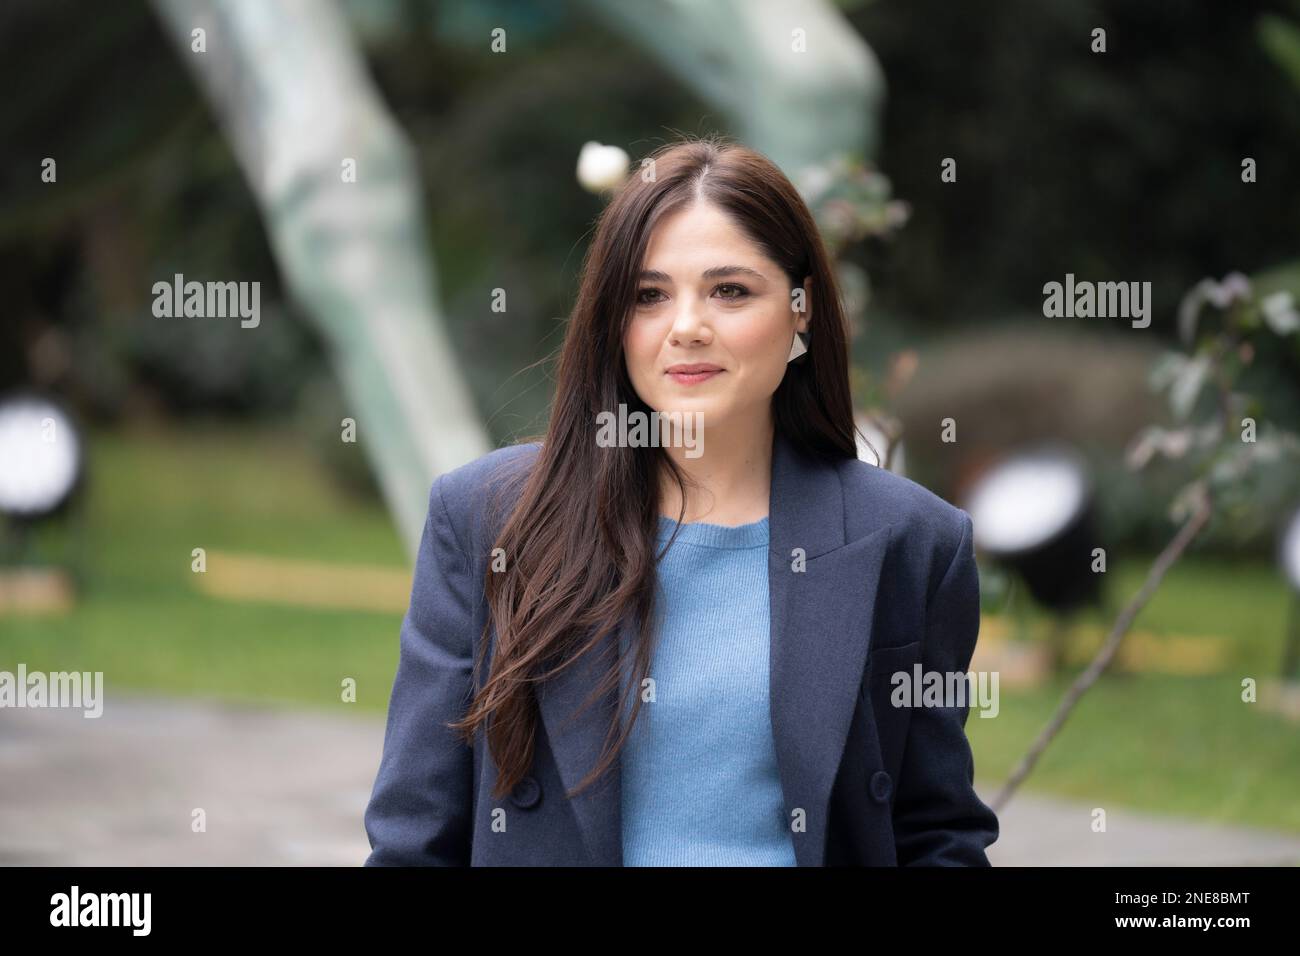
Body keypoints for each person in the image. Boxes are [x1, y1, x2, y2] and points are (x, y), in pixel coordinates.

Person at [363, 134, 999, 866]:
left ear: (802, 309)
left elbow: (935, 834)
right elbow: (414, 836)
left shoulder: (912, 540)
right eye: (649, 295)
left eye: (730, 291)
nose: (686, 327)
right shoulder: (487, 517)